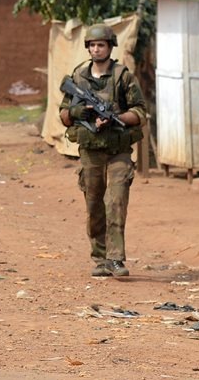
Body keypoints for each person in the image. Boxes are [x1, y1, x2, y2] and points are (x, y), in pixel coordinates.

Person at [58, 23, 146, 278]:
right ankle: (100, 258)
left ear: (110, 47)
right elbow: (63, 116)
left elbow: (140, 111)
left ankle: (116, 259)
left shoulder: (123, 76)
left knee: (116, 201)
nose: (97, 49)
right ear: (88, 48)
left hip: (118, 150)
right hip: (90, 151)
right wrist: (76, 112)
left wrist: (116, 116)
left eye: (101, 45)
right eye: (93, 45)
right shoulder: (78, 77)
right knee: (94, 204)